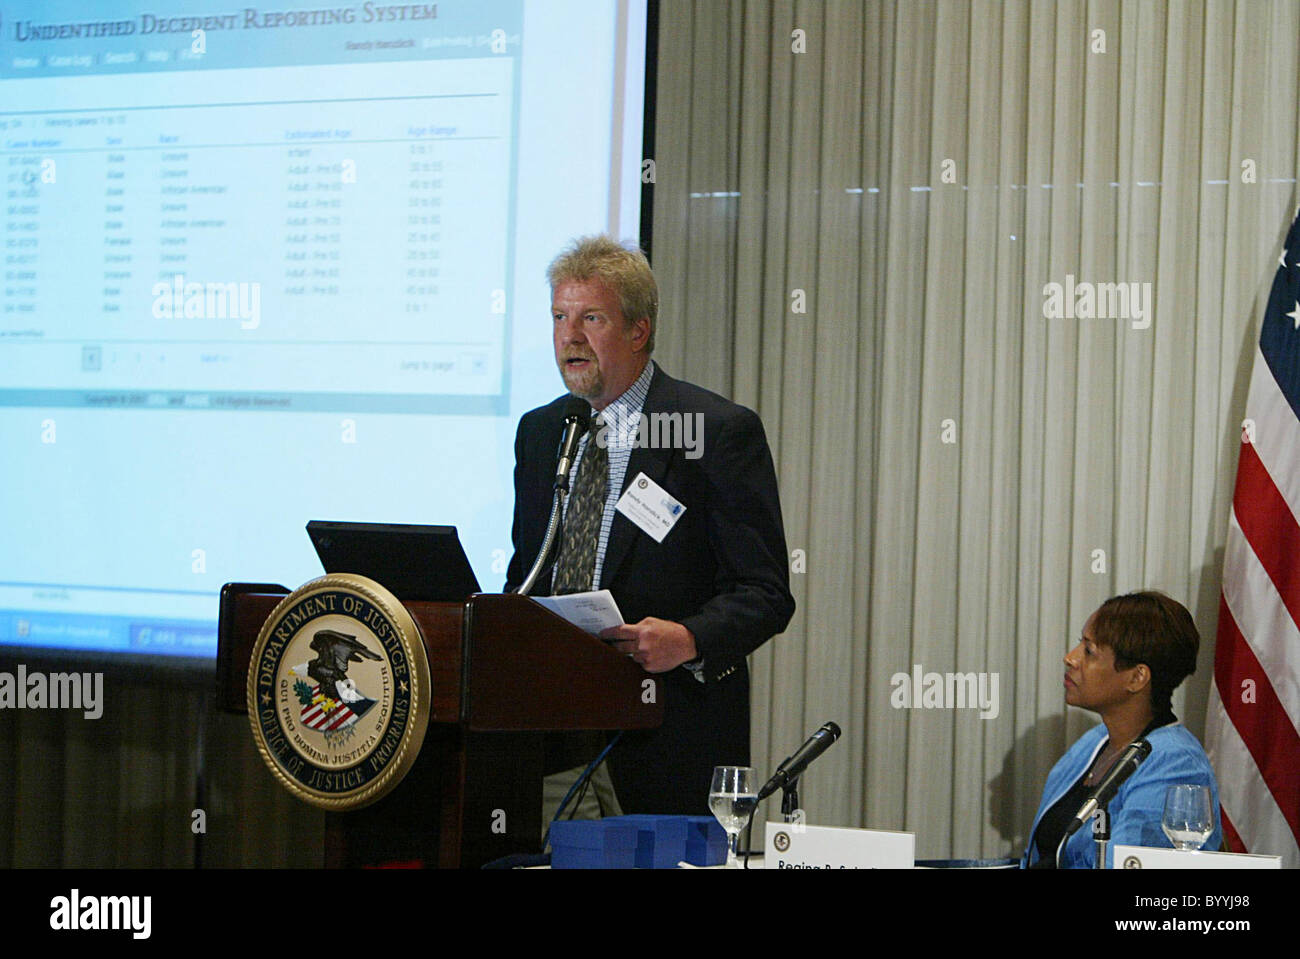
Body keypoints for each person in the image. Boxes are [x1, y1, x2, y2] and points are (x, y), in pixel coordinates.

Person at [504, 235, 795, 818]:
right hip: (553, 736)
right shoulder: (541, 432)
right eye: (560, 317)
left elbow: (765, 593)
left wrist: (688, 640)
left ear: (638, 330)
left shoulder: (712, 430)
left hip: (664, 737)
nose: (569, 336)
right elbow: (527, 574)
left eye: (591, 318)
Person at [1023, 591, 1222, 868]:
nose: (1070, 658)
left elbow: (1127, 864)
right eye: (1079, 645)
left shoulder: (1176, 763)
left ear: (1136, 677)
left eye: (1089, 651)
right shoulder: (1092, 743)